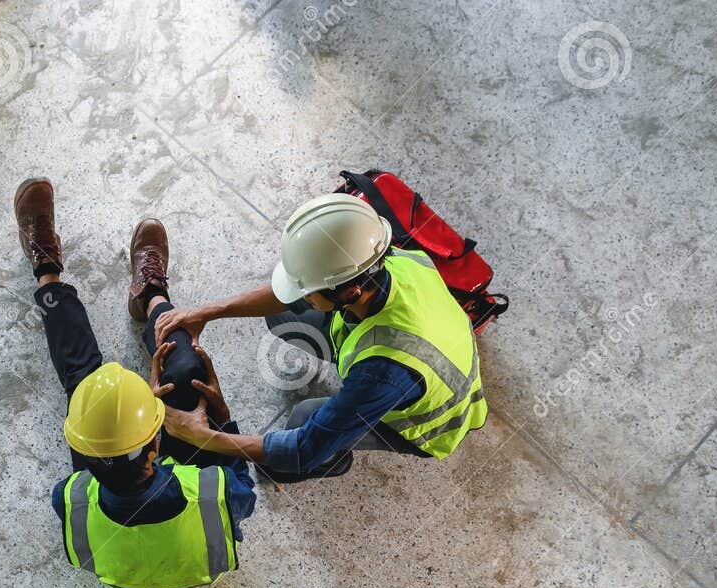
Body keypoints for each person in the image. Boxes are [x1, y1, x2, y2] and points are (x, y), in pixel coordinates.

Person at [12, 177, 256, 588]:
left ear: (82, 456)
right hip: (189, 543)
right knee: (186, 369)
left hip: (126, 556)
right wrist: (223, 419)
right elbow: (244, 491)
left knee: (87, 386)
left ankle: (46, 272)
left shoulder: (71, 500)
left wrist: (117, 416)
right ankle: (154, 299)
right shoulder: (214, 494)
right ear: (158, 442)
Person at [151, 192, 486, 481]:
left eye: (310, 290)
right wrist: (208, 312)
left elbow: (303, 448)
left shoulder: (383, 371)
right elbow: (288, 296)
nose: (303, 295)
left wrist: (202, 436)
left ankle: (333, 460)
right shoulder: (389, 260)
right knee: (283, 316)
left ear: (350, 291)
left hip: (430, 419)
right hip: (418, 352)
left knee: (300, 430)